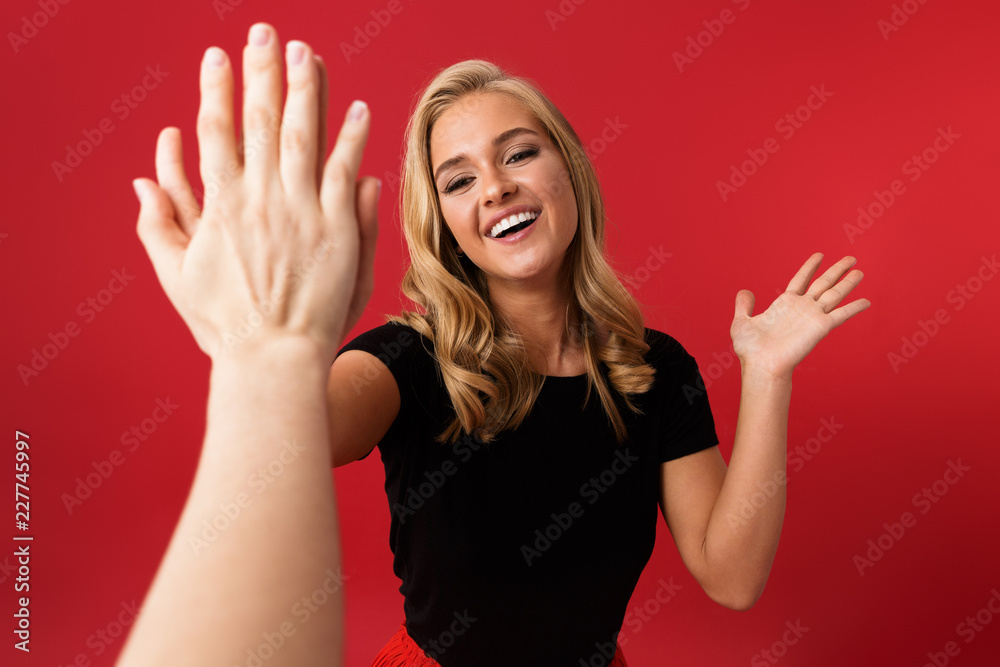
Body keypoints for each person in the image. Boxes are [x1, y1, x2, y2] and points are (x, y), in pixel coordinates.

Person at [116, 22, 871, 667]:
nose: (494, 188)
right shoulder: (404, 360)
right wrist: (271, 341)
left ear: (569, 168)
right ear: (443, 221)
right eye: (457, 180)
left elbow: (731, 576)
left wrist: (767, 376)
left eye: (517, 154)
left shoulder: (653, 369)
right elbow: (285, 441)